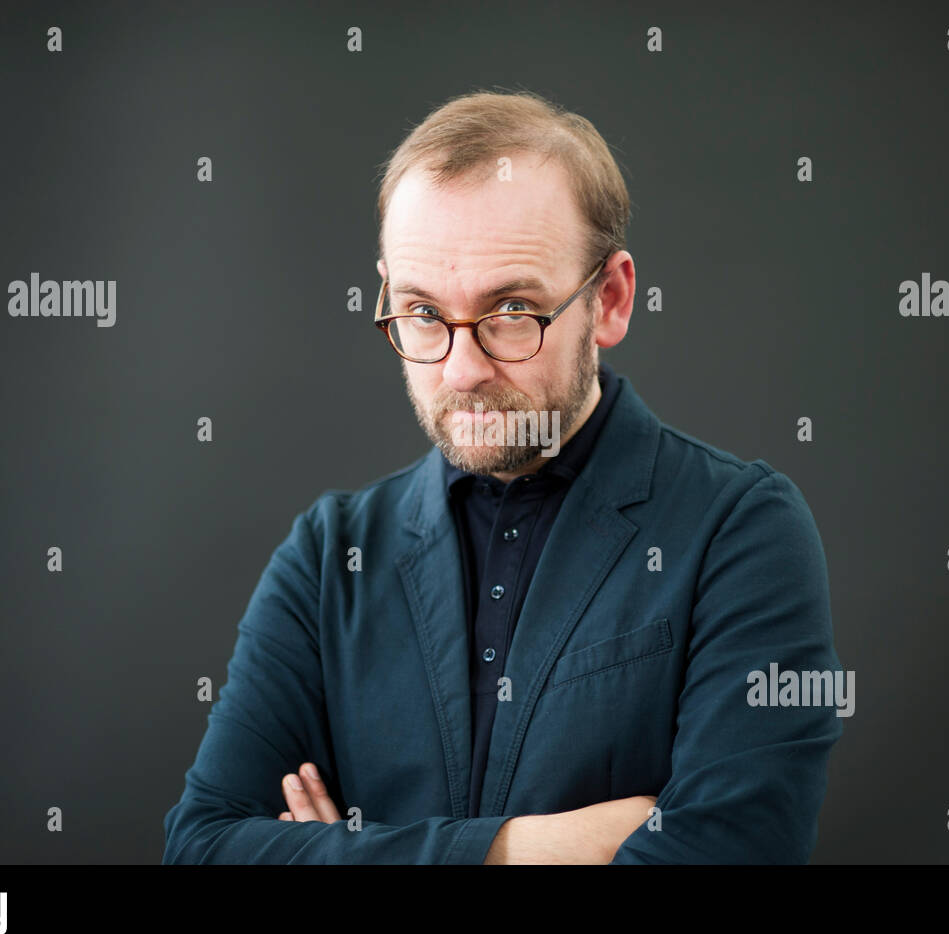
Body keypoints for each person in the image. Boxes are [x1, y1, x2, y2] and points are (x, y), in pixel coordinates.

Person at [163, 89, 844, 864]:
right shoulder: (330, 555)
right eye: (422, 313)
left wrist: (343, 853)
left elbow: (728, 856)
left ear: (611, 300)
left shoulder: (741, 530)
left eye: (512, 309)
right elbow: (204, 848)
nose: (461, 369)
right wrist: (526, 847)